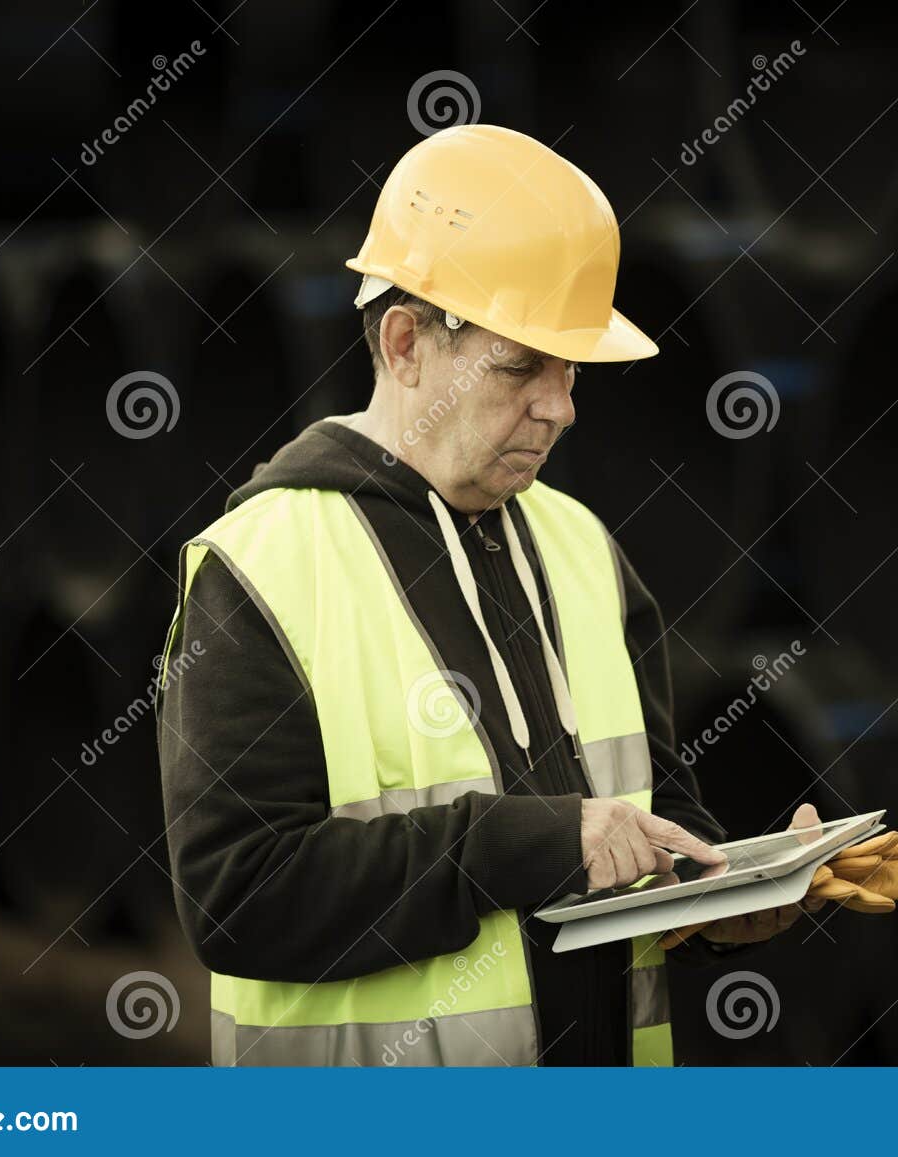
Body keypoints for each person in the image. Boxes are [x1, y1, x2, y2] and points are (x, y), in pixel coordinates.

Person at [155, 124, 822, 1067]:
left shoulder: (584, 549)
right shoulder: (261, 568)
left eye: (571, 367)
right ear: (405, 344)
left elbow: (655, 806)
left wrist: (724, 896)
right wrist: (520, 844)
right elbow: (239, 896)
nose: (560, 406)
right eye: (520, 366)